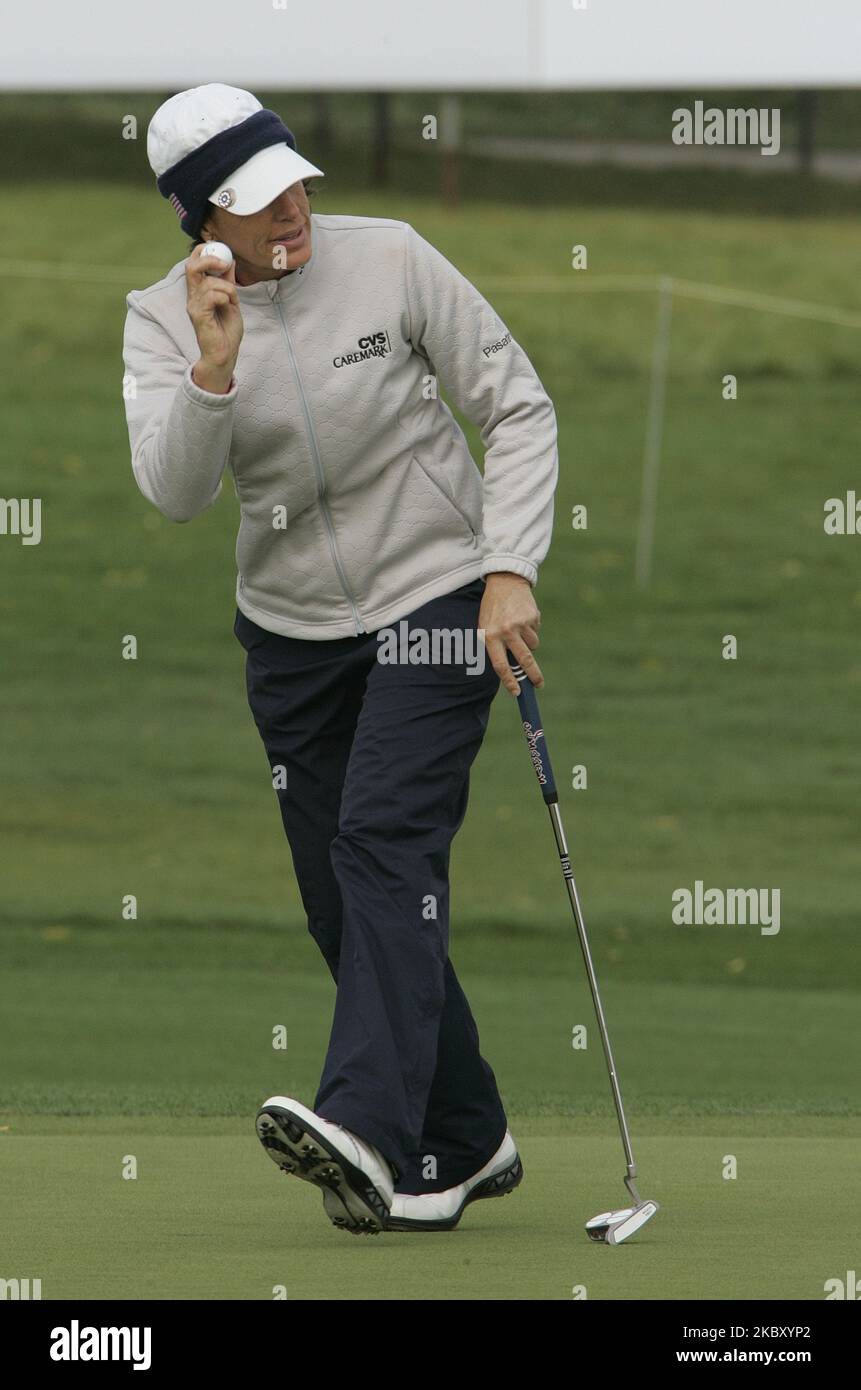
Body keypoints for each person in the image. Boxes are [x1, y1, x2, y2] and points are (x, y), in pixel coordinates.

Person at [123, 83, 558, 1235]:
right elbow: (171, 492)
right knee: (343, 897)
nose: (294, 211)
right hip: (290, 636)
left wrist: (509, 564)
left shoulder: (394, 259)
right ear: (202, 218)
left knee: (381, 839)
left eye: (296, 181)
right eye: (263, 202)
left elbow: (515, 408)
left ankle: (365, 1126)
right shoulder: (164, 320)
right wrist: (214, 371)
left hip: (436, 595)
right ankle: (465, 1134)